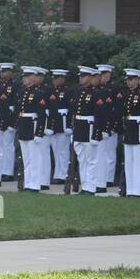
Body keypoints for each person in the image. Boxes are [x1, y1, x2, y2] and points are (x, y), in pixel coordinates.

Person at [16, 67, 51, 192]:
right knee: (27, 159)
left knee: (35, 158)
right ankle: (28, 183)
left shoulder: (39, 94)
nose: (24, 79)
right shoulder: (22, 92)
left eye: (26, 77)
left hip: (33, 126)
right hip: (24, 126)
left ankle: (35, 185)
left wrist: (39, 132)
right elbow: (18, 111)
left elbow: (42, 115)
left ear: (32, 78)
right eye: (23, 77)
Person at [71, 66, 102, 195]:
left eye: (83, 76)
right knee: (82, 158)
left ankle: (91, 187)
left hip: (89, 126)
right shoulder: (79, 92)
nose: (81, 78)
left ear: (90, 77)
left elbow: (100, 115)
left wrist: (96, 134)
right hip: (79, 126)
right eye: (80, 76)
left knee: (91, 159)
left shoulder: (95, 93)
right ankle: (85, 185)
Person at [121, 68, 140, 198]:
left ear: (138, 80)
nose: (129, 82)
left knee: (139, 162)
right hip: (129, 128)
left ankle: (138, 190)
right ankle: (130, 190)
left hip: (139, 129)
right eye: (127, 79)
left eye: (131, 79)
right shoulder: (127, 94)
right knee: (129, 162)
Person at [48, 70, 73, 185]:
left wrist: (69, 125)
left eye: (57, 78)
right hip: (54, 124)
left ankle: (63, 175)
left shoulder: (68, 91)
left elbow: (71, 110)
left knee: (63, 151)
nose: (55, 80)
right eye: (54, 78)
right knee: (55, 151)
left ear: (63, 78)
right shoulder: (50, 90)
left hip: (63, 125)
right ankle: (57, 174)